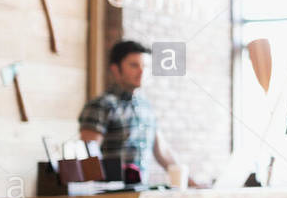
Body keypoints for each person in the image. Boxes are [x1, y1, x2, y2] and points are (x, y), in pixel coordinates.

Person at [78, 39, 199, 185]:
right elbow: (88, 154)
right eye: (134, 65)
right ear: (116, 69)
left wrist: (193, 183)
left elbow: (162, 152)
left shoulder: (146, 106)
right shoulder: (101, 105)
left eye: (145, 66)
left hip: (139, 196)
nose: (142, 71)